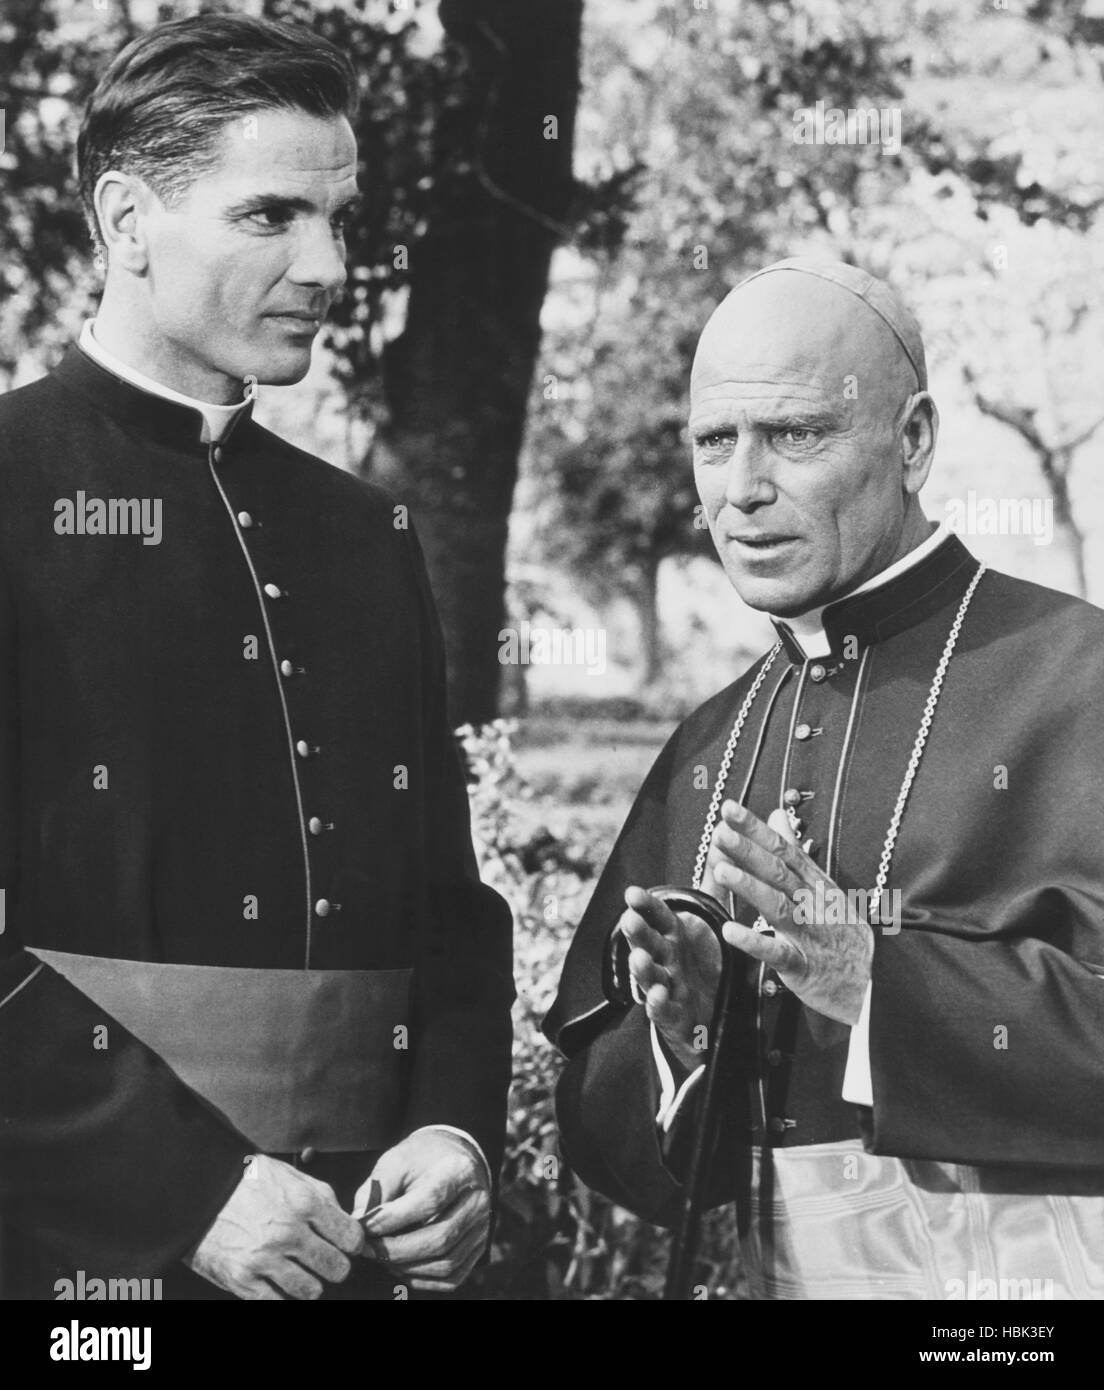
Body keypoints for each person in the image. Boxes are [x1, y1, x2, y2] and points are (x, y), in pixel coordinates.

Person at [0, 13, 514, 1301]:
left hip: (356, 1255)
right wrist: (181, 1187)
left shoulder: (366, 532)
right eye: (271, 216)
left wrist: (454, 1136)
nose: (329, 264)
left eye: (339, 218)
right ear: (126, 220)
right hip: (71, 1259)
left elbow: (445, 912)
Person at [544, 256, 1104, 1300]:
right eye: (716, 442)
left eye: (795, 434)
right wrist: (688, 1039)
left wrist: (875, 984)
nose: (743, 489)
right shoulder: (709, 744)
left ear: (915, 440)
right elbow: (611, 1146)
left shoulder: (1079, 679)